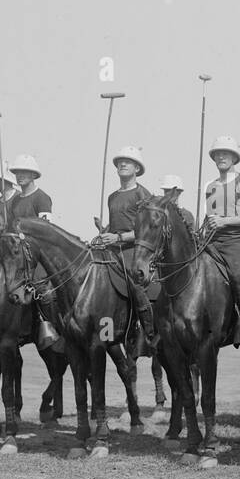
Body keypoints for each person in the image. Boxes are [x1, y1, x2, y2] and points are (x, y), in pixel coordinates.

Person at [91, 146, 156, 357]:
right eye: (120, 162)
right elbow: (116, 224)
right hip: (111, 247)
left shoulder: (142, 194)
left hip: (133, 250)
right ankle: (102, 330)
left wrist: (118, 237)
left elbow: (144, 231)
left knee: (134, 284)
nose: (122, 164)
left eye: (127, 162)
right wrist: (104, 232)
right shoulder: (112, 197)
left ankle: (147, 334)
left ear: (137, 168)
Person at [201, 135, 240, 347]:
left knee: (236, 276)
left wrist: (224, 222)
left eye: (225, 154)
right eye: (217, 154)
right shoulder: (211, 186)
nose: (221, 157)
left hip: (236, 242)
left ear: (234, 158)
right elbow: (209, 218)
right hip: (212, 242)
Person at [6, 154, 53, 224]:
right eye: (17, 172)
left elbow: (47, 229)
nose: (20, 176)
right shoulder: (16, 200)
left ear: (33, 175)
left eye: (24, 172)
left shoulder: (42, 198)